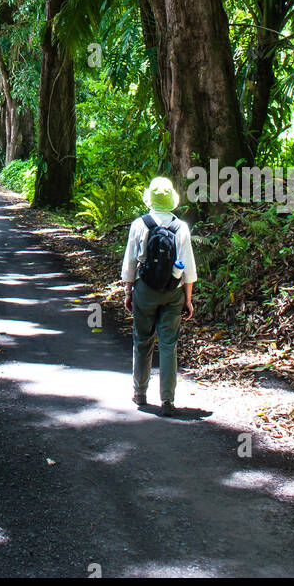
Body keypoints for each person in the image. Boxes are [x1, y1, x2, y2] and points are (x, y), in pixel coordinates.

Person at [121, 176, 197, 416]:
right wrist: (187, 299)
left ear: (150, 201)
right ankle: (168, 400)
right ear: (171, 201)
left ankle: (140, 393)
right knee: (168, 345)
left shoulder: (139, 224)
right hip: (173, 292)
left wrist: (128, 292)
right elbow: (189, 269)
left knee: (142, 341)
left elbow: (130, 263)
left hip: (145, 291)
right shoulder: (181, 227)